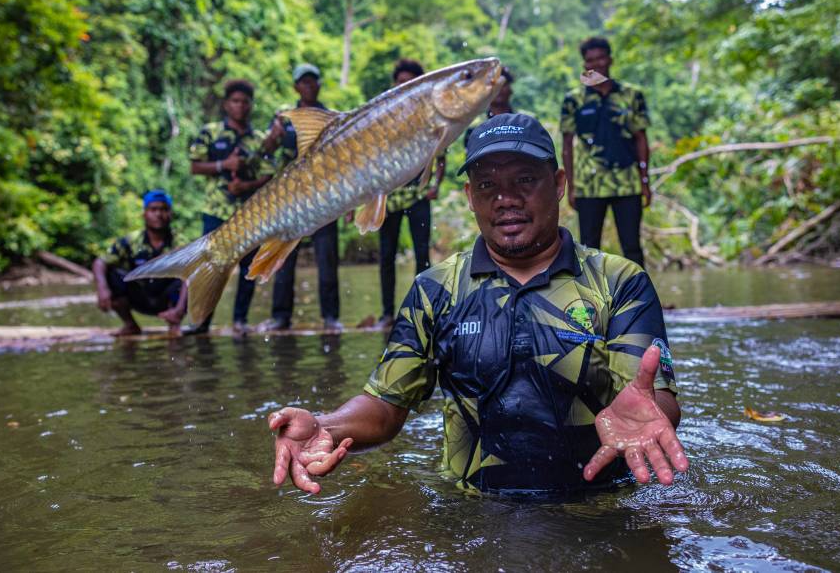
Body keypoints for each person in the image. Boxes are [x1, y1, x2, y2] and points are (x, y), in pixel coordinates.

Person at [267, 113, 687, 497]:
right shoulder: (435, 289)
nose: (506, 198)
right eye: (487, 186)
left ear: (559, 184)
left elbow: (652, 399)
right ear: (470, 195)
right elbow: (385, 406)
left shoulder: (618, 281)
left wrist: (654, 412)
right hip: (472, 511)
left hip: (597, 509)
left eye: (525, 180)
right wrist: (325, 425)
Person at [189, 79, 287, 334]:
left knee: (248, 266)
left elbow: (268, 175)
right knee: (211, 264)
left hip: (249, 214)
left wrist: (246, 186)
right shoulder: (210, 132)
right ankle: (201, 322)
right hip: (215, 210)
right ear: (226, 104)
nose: (240, 107)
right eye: (235, 101)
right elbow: (195, 166)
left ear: (251, 106)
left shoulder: (260, 139)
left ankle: (240, 321)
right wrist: (224, 166)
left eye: (245, 102)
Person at [257, 63, 342, 332]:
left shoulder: (330, 117)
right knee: (284, 259)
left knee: (327, 259)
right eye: (303, 82)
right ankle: (281, 316)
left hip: (324, 198)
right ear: (296, 87)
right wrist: (272, 137)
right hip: (289, 200)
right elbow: (266, 152)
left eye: (312, 81)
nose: (308, 86)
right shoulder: (283, 118)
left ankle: (331, 317)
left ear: (318, 84)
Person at [561, 37, 651, 267]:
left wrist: (644, 180)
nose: (596, 64)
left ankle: (641, 301)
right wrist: (571, 186)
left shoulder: (631, 95)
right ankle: (593, 302)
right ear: (584, 64)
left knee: (632, 246)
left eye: (600, 58)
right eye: (590, 60)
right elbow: (567, 146)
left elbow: (641, 138)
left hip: (627, 182)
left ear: (609, 59)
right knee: (589, 249)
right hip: (589, 185)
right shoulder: (574, 99)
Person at [374, 58, 446, 329]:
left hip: (418, 195)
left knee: (422, 255)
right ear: (395, 84)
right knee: (386, 256)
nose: (404, 86)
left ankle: (423, 311)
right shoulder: (383, 116)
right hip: (389, 198)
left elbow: (441, 155)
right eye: (400, 82)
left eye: (410, 82)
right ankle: (386, 313)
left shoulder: (430, 115)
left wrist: (435, 185)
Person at [92, 190, 188, 336]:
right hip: (140, 297)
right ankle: (130, 325)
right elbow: (100, 262)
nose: (158, 214)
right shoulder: (131, 241)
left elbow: (192, 275)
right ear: (144, 213)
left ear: (170, 213)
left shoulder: (180, 243)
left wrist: (179, 310)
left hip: (169, 299)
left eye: (163, 209)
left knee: (191, 274)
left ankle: (175, 323)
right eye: (153, 209)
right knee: (112, 274)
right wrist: (102, 288)